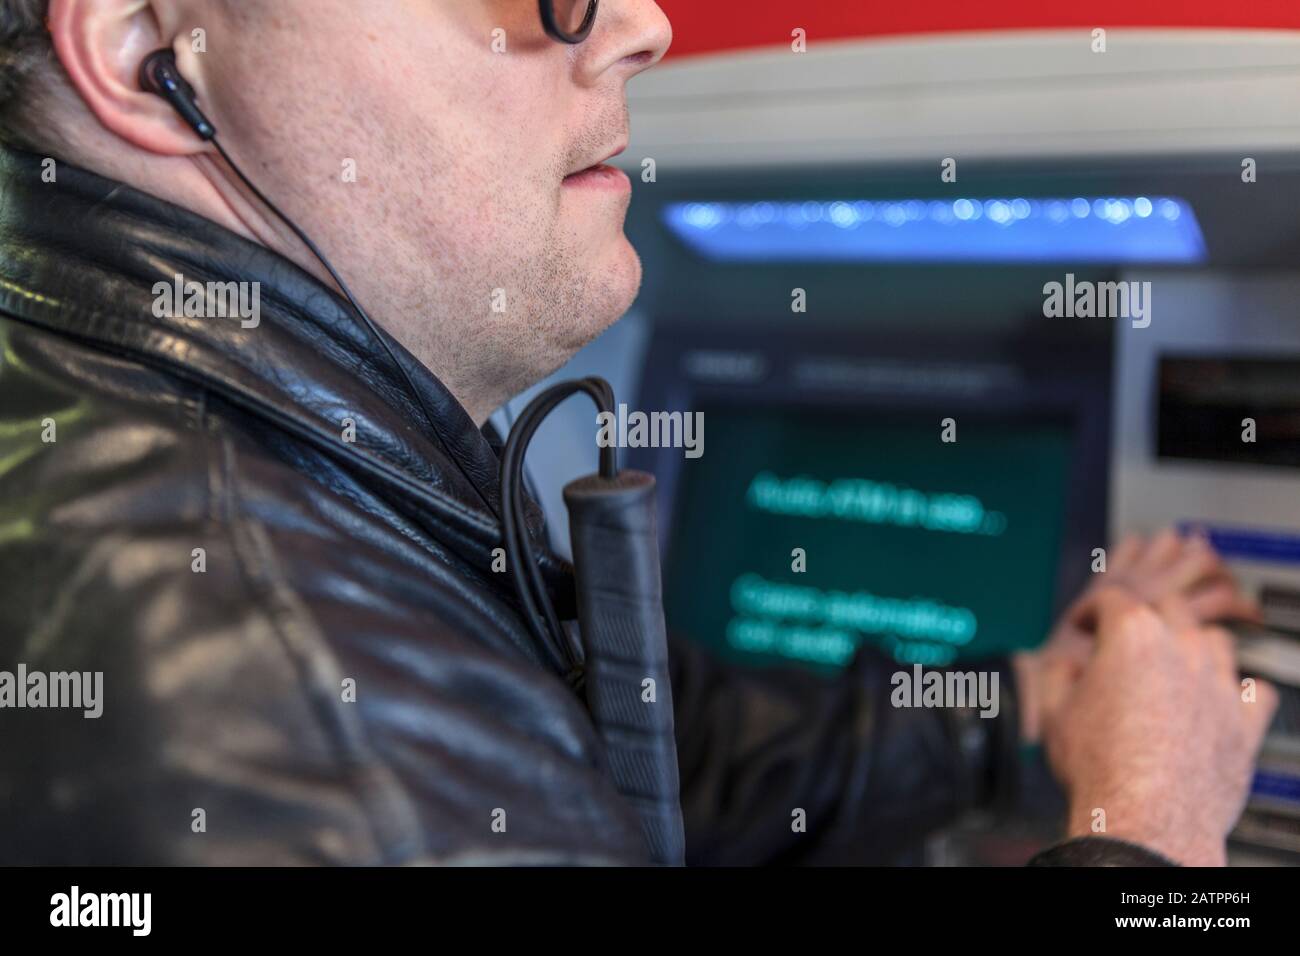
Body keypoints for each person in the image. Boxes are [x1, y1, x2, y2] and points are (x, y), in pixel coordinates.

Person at [0, 0, 1277, 865]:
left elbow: (595, 735)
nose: (642, 25)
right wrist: (1148, 828)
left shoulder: (226, 426)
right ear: (148, 52)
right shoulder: (313, 743)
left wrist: (1016, 706)